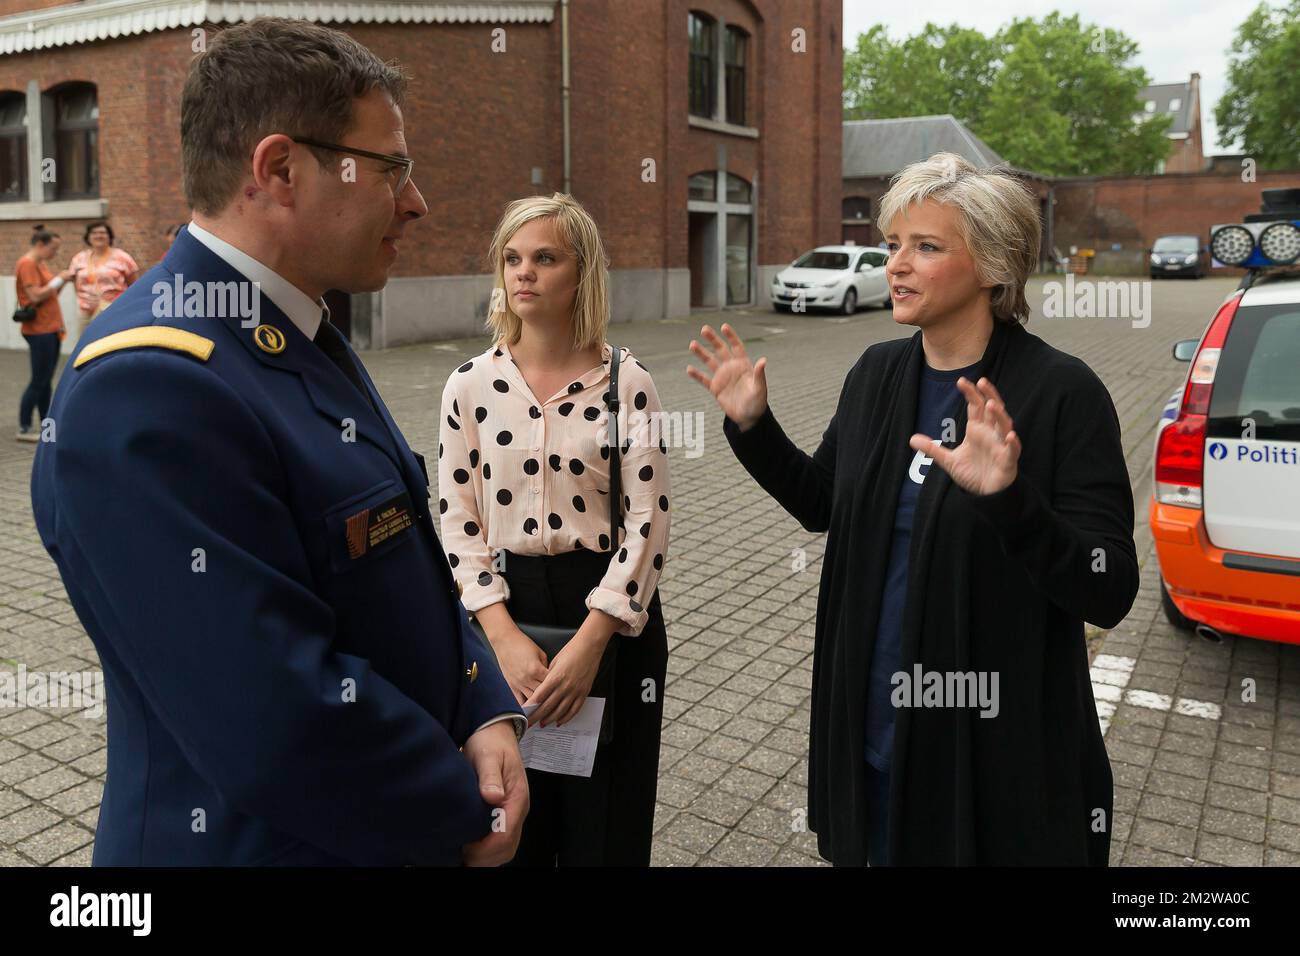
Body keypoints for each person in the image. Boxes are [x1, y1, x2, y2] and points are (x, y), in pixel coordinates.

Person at [30, 17, 527, 866]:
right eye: (391, 168)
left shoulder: (292, 327)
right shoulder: (146, 385)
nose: (415, 201)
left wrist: (484, 707)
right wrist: (459, 809)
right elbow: (271, 716)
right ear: (281, 170)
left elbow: (403, 563)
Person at [688, 152, 1137, 866]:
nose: (895, 264)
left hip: (988, 754)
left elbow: (1108, 586)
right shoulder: (876, 374)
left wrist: (1011, 501)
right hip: (872, 731)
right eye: (893, 243)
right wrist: (754, 425)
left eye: (925, 246)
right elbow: (823, 503)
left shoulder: (1061, 392)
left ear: (994, 266)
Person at [440, 193, 671, 866]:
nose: (524, 273)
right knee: (513, 814)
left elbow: (649, 522)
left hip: (608, 612)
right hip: (504, 612)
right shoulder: (468, 386)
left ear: (582, 273)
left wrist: (592, 642)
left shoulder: (626, 382)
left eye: (545, 258)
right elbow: (457, 520)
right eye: (512, 258)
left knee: (605, 819)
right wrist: (501, 636)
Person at [15, 225, 71, 442]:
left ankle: (46, 425)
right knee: (39, 380)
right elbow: (36, 296)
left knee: (46, 379)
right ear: (40, 245)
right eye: (53, 249)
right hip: (39, 330)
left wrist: (62, 281)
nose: (55, 254)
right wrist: (60, 278)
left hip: (50, 328)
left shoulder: (40, 263)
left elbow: (50, 294)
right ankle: (24, 426)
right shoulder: (27, 263)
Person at [68, 220, 139, 324]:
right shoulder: (79, 258)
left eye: (102, 233)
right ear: (88, 237)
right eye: (94, 233)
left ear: (109, 236)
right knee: (87, 340)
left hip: (114, 311)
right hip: (86, 312)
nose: (98, 236)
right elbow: (75, 283)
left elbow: (134, 285)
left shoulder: (122, 257)